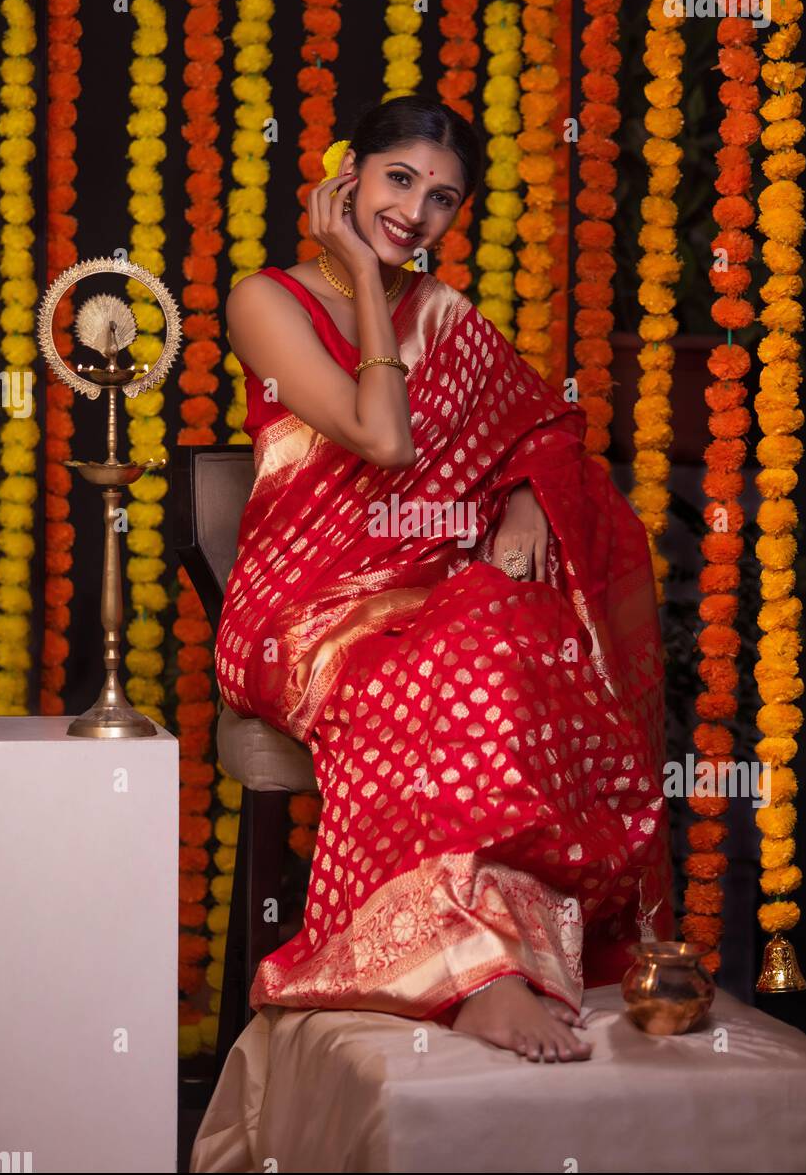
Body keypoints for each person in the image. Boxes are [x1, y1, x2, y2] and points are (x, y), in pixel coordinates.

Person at [214, 94, 674, 1065]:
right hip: (304, 612)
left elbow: (544, 428)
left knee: (507, 618)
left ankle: (495, 957)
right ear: (347, 174)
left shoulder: (450, 318)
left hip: (429, 593)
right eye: (399, 180)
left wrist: (518, 500)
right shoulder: (267, 299)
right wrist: (372, 284)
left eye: (442, 200)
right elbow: (380, 436)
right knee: (464, 645)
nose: (416, 214)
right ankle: (461, 969)